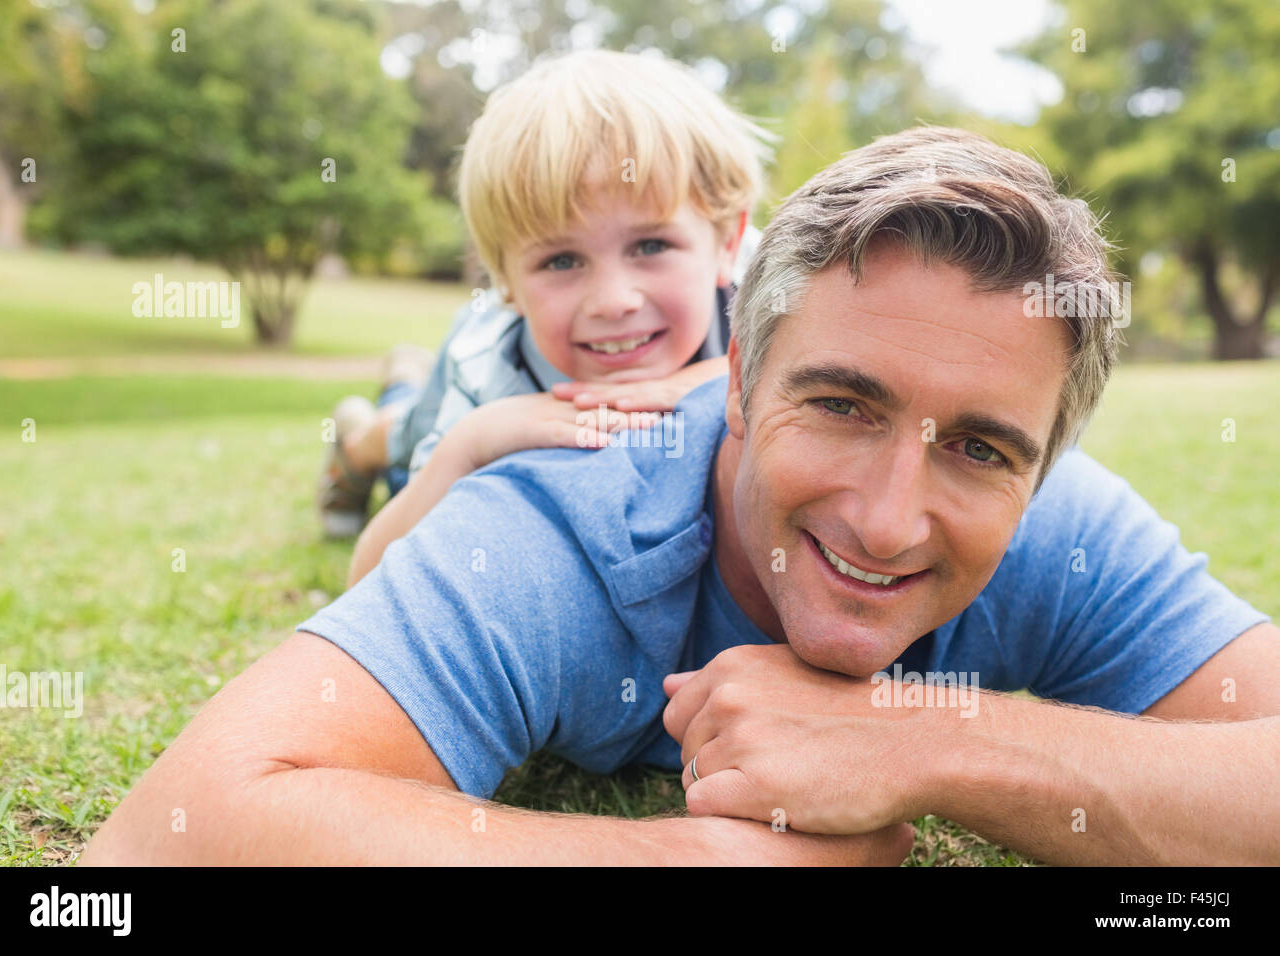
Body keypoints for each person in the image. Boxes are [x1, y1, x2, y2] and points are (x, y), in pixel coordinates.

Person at [80, 127, 1279, 866]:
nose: (885, 517)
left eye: (979, 448)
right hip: (478, 428)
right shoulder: (554, 524)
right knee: (409, 430)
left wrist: (931, 739)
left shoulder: (1063, 524)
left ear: (1041, 458)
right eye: (843, 404)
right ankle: (368, 430)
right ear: (744, 384)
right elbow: (166, 834)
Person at [317, 48, 770, 545]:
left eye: (651, 245)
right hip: (468, 368)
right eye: (561, 260)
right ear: (504, 280)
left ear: (726, 243)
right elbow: (384, 576)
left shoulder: (765, 292)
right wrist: (468, 444)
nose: (613, 301)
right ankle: (360, 438)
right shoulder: (488, 373)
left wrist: (723, 378)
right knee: (408, 441)